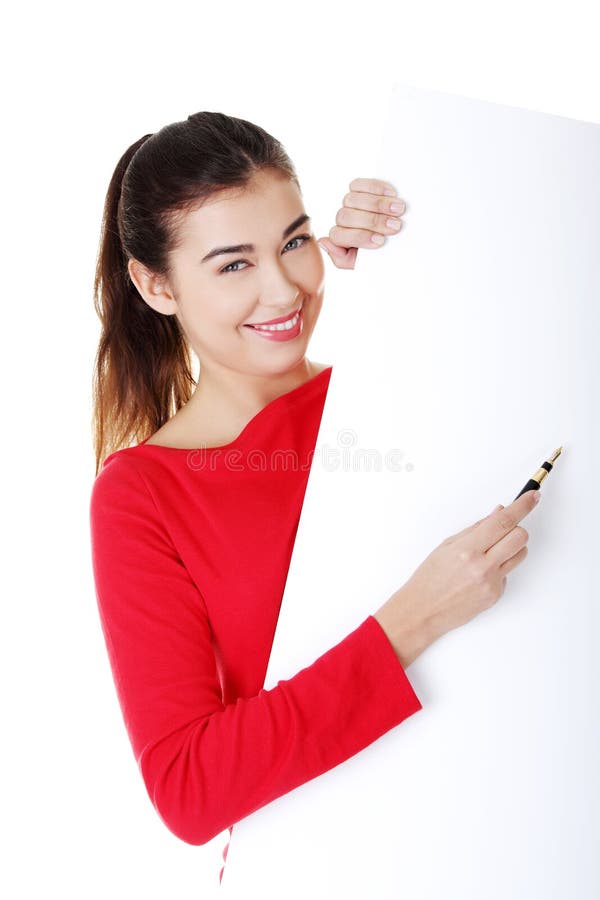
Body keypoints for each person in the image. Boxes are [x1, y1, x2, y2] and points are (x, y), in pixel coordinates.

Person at [89, 110, 539, 886]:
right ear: (156, 285)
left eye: (294, 241)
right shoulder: (144, 496)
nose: (283, 288)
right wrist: (413, 620)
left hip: (513, 836)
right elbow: (189, 790)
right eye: (234, 265)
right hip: (329, 869)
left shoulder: (396, 386)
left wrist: (421, 236)